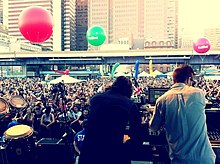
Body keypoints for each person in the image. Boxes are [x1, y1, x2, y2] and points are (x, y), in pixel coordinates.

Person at [149, 65, 216, 164]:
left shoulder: (162, 100)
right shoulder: (199, 94)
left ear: (173, 79)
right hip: (203, 158)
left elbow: (153, 127)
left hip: (179, 160)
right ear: (189, 79)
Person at [79, 76, 143, 164]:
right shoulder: (129, 104)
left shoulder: (95, 99)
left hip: (89, 151)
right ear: (129, 91)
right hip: (113, 152)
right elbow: (137, 133)